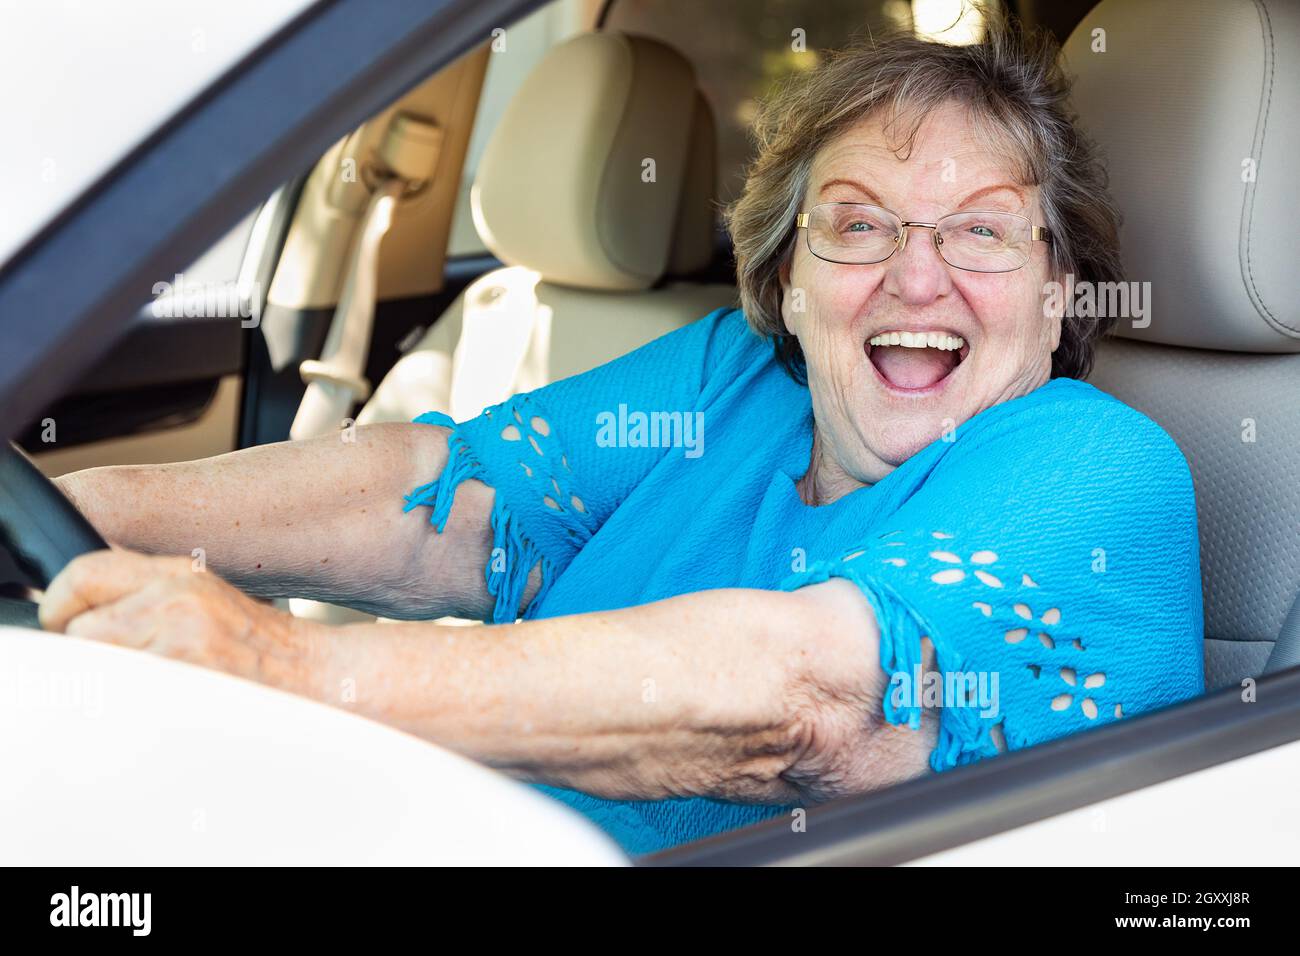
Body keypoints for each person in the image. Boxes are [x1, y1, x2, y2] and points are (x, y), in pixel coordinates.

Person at [40, 21, 1204, 856]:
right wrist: (77, 516)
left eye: (983, 233)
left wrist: (280, 667)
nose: (915, 275)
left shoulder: (1100, 467)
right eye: (854, 223)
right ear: (787, 276)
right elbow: (440, 500)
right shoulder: (736, 375)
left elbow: (812, 696)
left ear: (1059, 290)